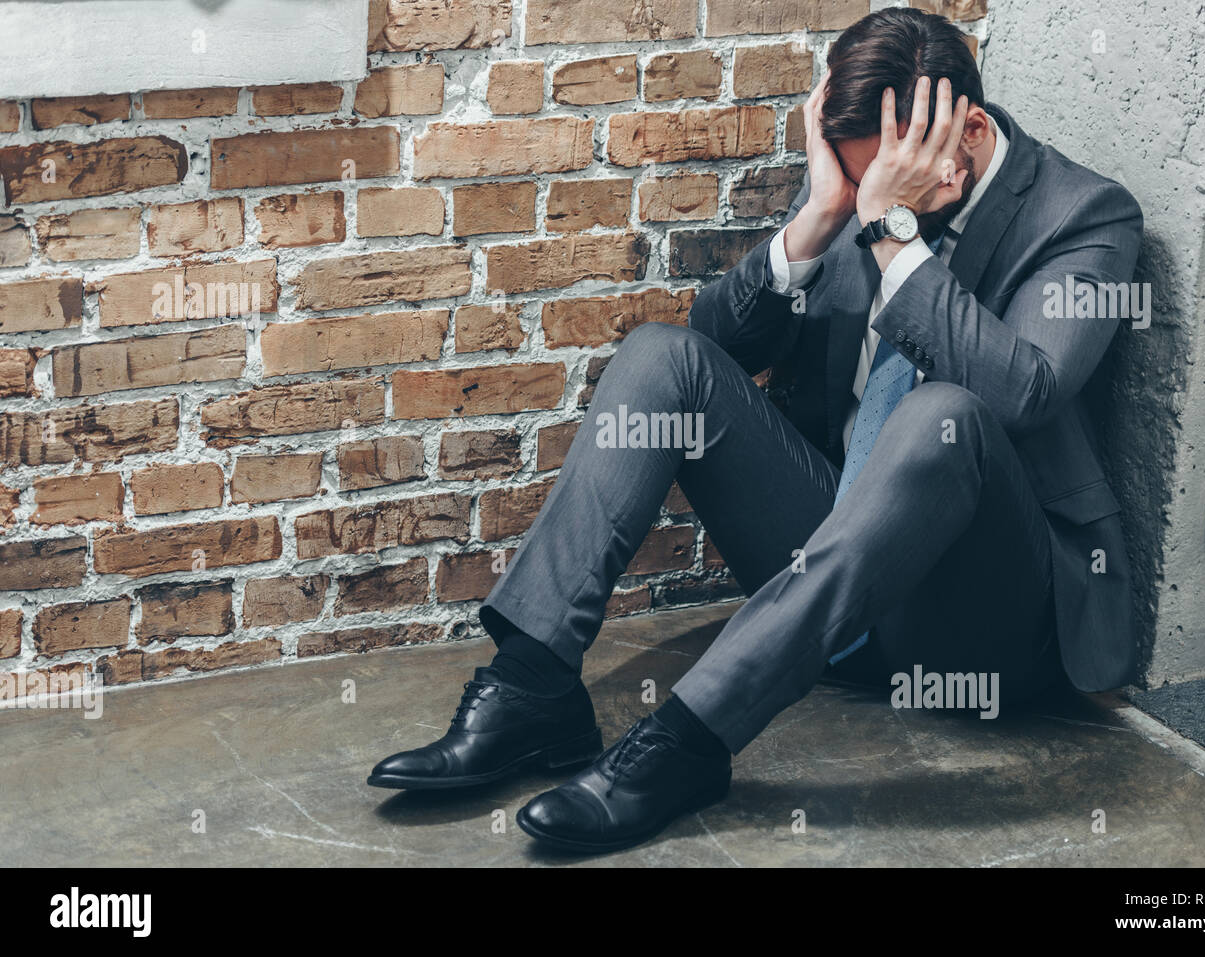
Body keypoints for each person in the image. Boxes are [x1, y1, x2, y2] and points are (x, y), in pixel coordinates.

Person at [368, 6, 1143, 855]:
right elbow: (714, 346)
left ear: (972, 129)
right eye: (856, 187)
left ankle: (686, 744)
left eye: (874, 189)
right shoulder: (859, 191)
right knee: (663, 358)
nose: (863, 205)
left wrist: (892, 232)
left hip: (978, 625)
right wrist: (821, 217)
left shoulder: (1084, 215)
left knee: (944, 416)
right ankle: (532, 687)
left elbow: (1025, 390)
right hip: (834, 583)